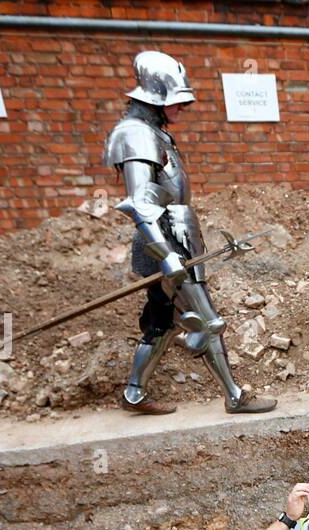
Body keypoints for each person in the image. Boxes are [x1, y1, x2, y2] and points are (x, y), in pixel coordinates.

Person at [104, 51, 275, 416]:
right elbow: (141, 204)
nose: (182, 108)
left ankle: (134, 392)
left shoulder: (156, 132)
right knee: (209, 321)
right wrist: (166, 256)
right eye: (175, 101)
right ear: (154, 96)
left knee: (163, 322)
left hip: (179, 236)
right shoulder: (135, 134)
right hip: (164, 241)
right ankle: (234, 396)